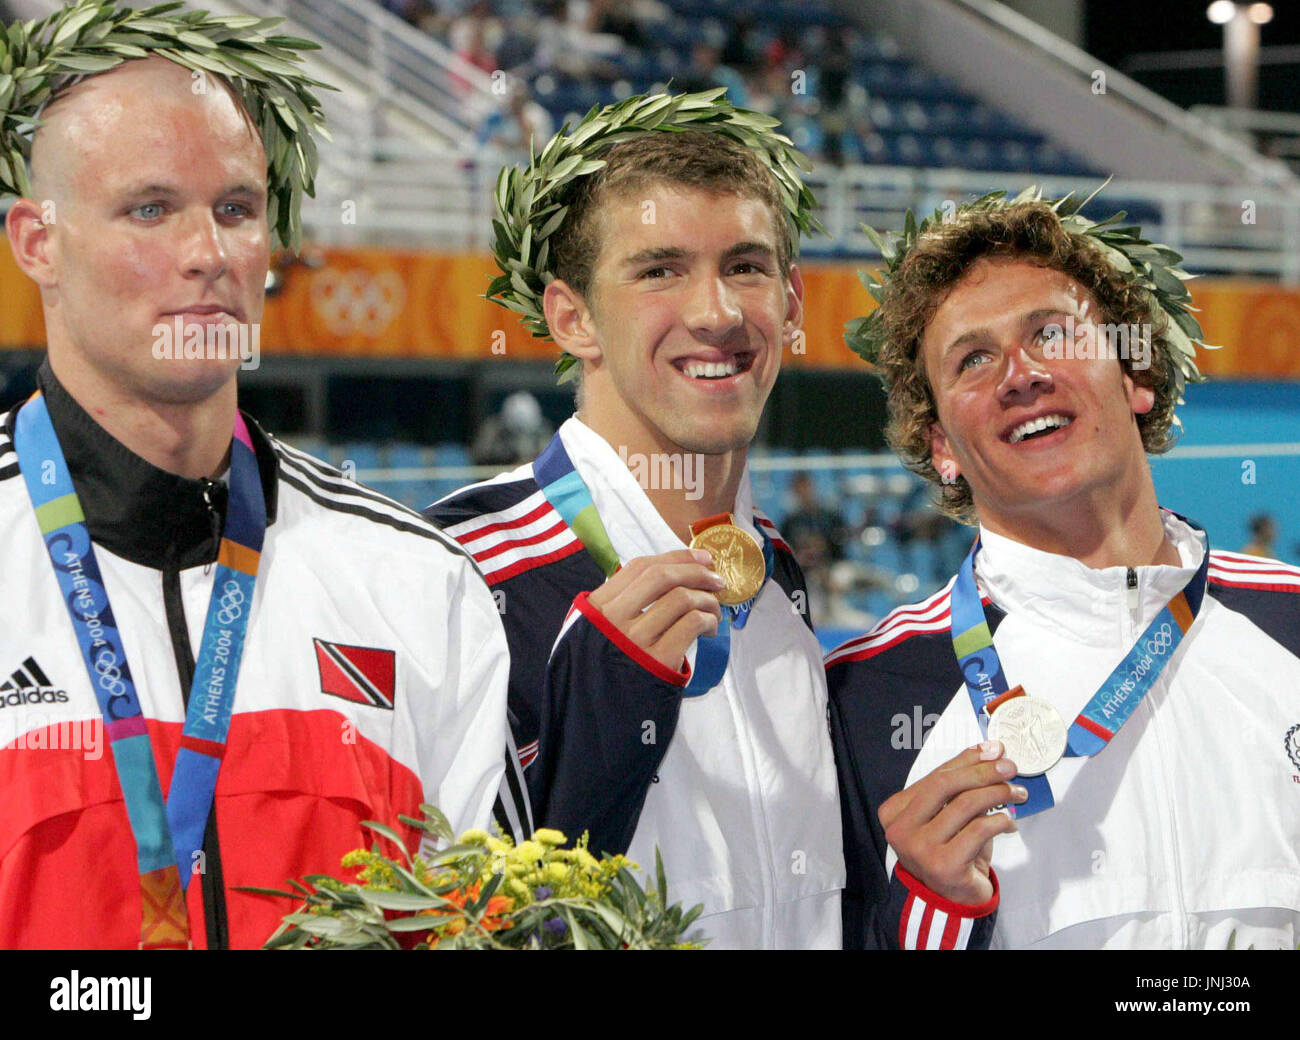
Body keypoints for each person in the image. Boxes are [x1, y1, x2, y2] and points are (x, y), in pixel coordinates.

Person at [0, 4, 520, 949]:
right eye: (150, 209)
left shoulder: (417, 583)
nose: (208, 254)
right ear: (38, 243)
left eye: (235, 209)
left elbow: (497, 924)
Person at [828, 187, 1300, 949]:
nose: (1021, 373)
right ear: (941, 446)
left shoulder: (1289, 626)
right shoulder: (869, 696)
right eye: (973, 358)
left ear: (1136, 377)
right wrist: (930, 914)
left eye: (1052, 333)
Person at [427, 90, 845, 948]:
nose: (718, 313)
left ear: (792, 303)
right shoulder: (456, 572)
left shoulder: (775, 581)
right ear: (571, 316)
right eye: (659, 270)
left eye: (746, 266)